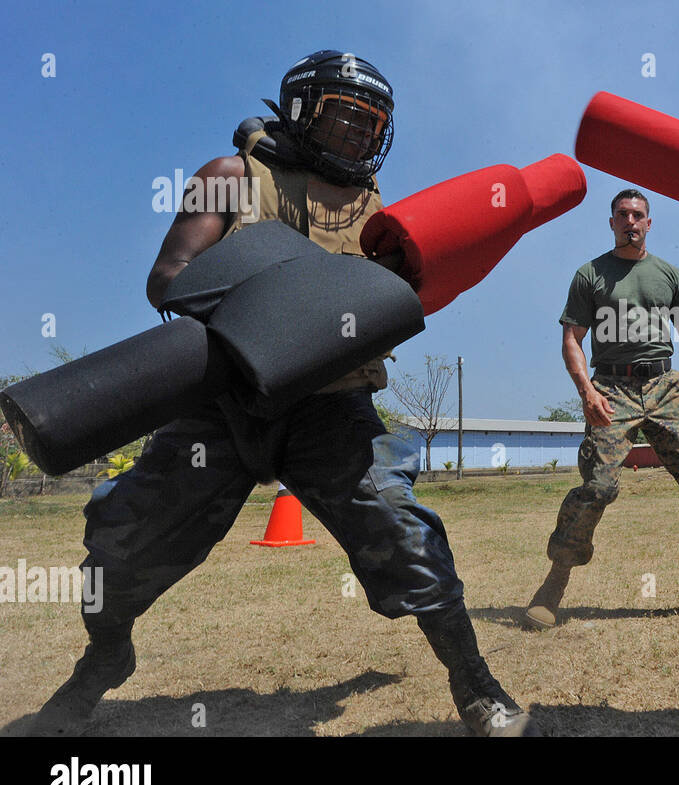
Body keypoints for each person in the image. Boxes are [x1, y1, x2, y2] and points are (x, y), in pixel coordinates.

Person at [28, 50, 538, 737]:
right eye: (347, 119)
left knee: (401, 529)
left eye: (371, 127)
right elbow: (169, 278)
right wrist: (273, 306)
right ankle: (104, 658)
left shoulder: (377, 214)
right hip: (222, 396)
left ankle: (475, 684)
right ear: (301, 108)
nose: (359, 137)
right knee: (121, 544)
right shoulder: (231, 176)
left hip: (329, 405)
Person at [522, 188, 679, 629]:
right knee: (598, 486)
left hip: (666, 384)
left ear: (649, 223)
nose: (631, 221)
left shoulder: (670, 275)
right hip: (611, 386)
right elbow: (572, 339)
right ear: (611, 222)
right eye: (622, 214)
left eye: (638, 215)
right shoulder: (589, 275)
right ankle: (553, 585)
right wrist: (586, 392)